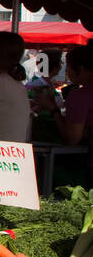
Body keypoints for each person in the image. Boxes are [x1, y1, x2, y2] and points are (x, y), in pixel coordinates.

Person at [36, 45, 93, 185]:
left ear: (80, 69)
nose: (66, 72)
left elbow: (72, 137)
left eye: (67, 68)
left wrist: (53, 110)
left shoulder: (80, 95)